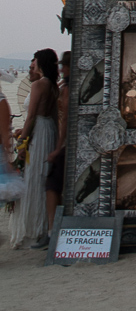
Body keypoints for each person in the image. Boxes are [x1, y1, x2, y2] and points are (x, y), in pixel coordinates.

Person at [9, 50, 59, 249]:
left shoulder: (39, 85)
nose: (33, 65)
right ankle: (45, 226)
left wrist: (22, 142)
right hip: (49, 129)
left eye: (35, 62)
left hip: (39, 131)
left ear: (41, 63)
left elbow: (30, 117)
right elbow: (53, 116)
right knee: (42, 175)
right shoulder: (53, 85)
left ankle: (35, 229)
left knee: (34, 176)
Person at [44, 52, 70, 235]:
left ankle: (52, 228)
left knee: (52, 184)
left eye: (63, 66)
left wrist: (58, 146)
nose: (61, 70)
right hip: (68, 140)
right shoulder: (68, 86)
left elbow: (65, 119)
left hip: (67, 141)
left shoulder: (68, 88)